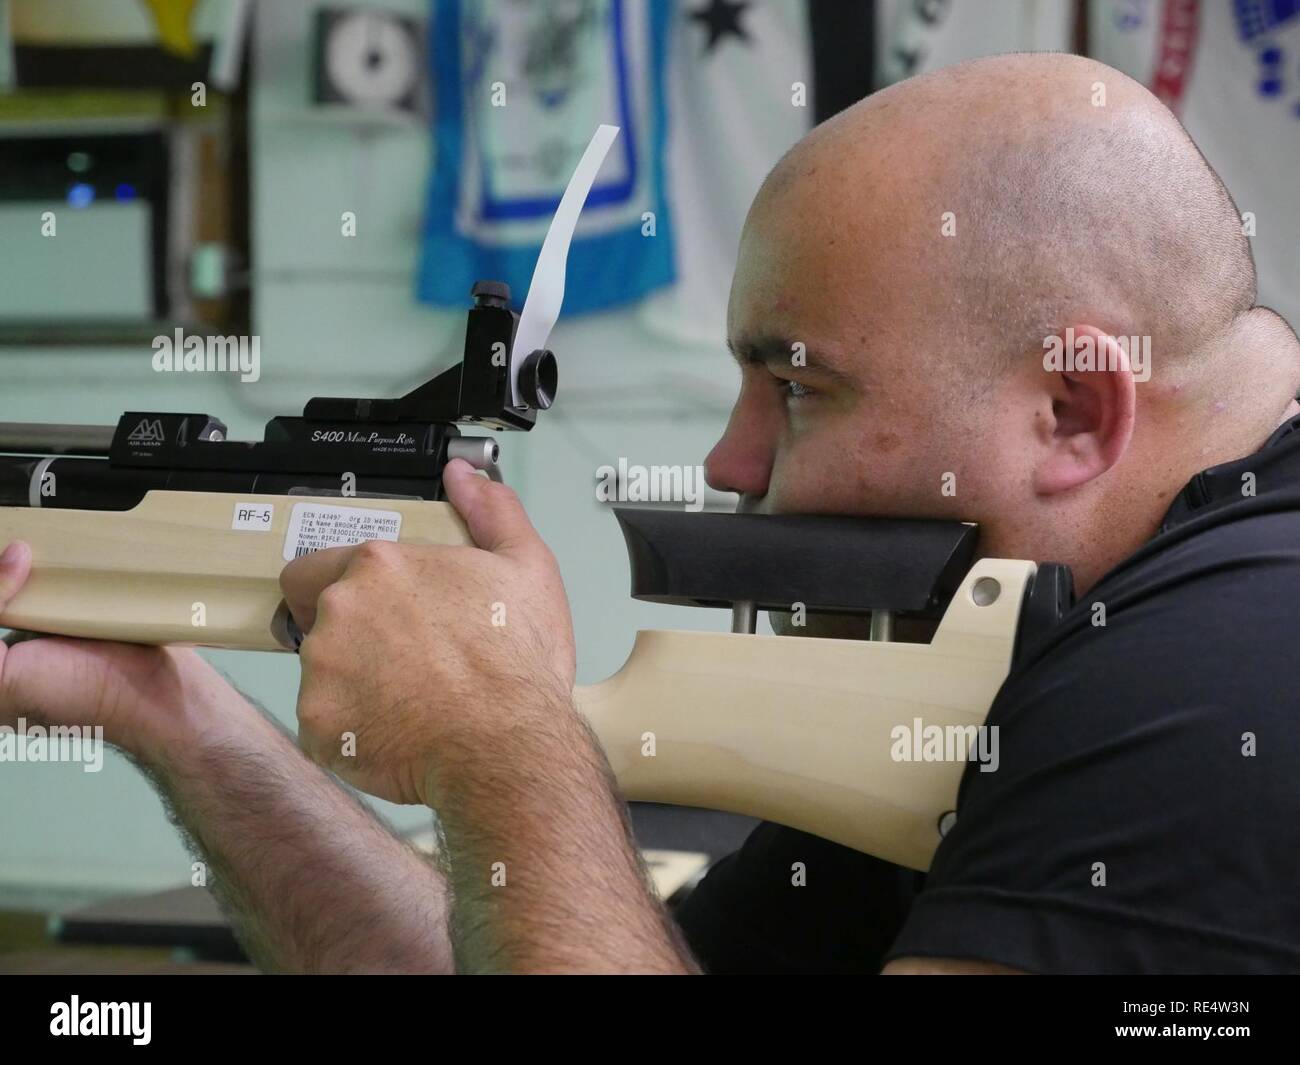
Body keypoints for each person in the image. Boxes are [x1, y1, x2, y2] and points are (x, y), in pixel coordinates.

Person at [3, 52, 1299, 974]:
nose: (733, 460)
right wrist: (170, 716)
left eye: (796, 386)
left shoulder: (1220, 685)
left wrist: (502, 748)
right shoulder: (1038, 651)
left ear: (1075, 409)